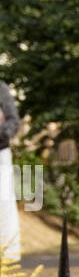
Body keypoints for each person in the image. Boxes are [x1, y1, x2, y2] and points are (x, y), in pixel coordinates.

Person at [0, 78, 21, 263]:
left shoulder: (2, 89)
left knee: (4, 202)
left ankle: (8, 253)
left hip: (1, 152)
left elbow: (13, 121)